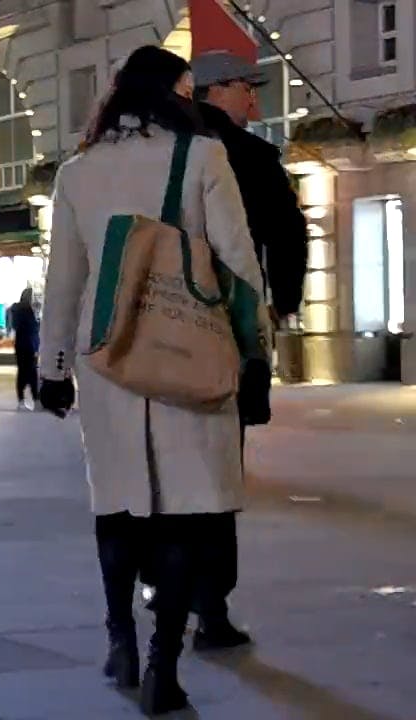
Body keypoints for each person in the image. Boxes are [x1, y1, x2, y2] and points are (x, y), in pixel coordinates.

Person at [36, 45, 271, 715]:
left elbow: (64, 281)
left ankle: (120, 643)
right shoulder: (201, 156)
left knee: (118, 507)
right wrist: (255, 354)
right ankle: (164, 668)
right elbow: (237, 262)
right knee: (184, 518)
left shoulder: (78, 173)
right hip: (188, 350)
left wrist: (53, 368)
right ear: (173, 91)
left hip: (108, 357)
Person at [185, 50, 308, 649]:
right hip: (225, 332)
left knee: (159, 467)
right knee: (216, 467)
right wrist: (282, 302)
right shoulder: (251, 157)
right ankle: (210, 607)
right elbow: (287, 234)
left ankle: (160, 593)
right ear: (214, 91)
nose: (254, 99)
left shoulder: (161, 151)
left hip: (156, 333)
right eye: (245, 88)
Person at [8, 288, 40, 409]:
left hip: (22, 345)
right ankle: (33, 399)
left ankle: (24, 399)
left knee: (25, 372)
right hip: (28, 345)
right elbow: (32, 329)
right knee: (30, 372)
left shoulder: (18, 310)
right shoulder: (26, 310)